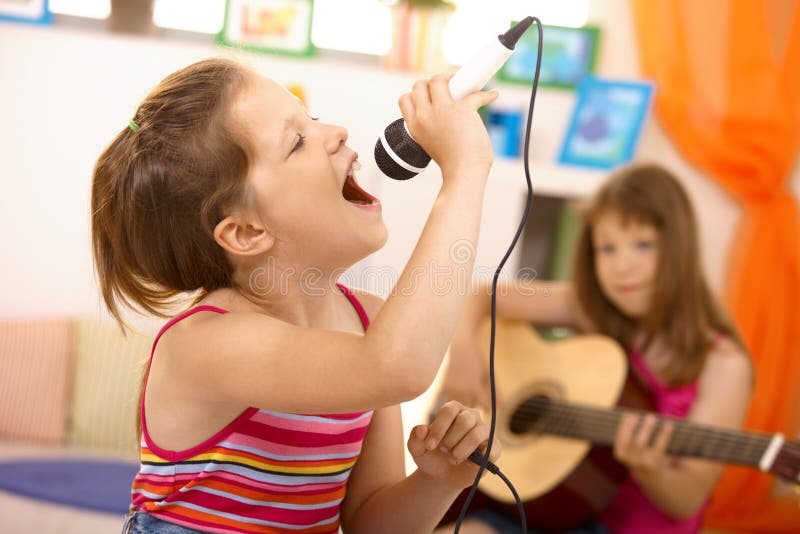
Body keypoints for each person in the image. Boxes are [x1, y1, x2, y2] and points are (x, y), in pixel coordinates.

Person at [91, 57, 503, 533]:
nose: (338, 132)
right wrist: (465, 171)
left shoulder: (369, 326)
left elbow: (373, 524)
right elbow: (399, 366)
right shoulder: (205, 344)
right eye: (297, 141)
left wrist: (439, 482)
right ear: (246, 232)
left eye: (312, 116)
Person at [436, 163, 753, 534]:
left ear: (679, 247)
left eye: (642, 244)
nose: (622, 266)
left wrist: (650, 467)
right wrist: (463, 354)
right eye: (607, 248)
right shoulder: (595, 308)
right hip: (553, 508)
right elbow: (482, 294)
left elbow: (684, 501)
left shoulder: (723, 363)